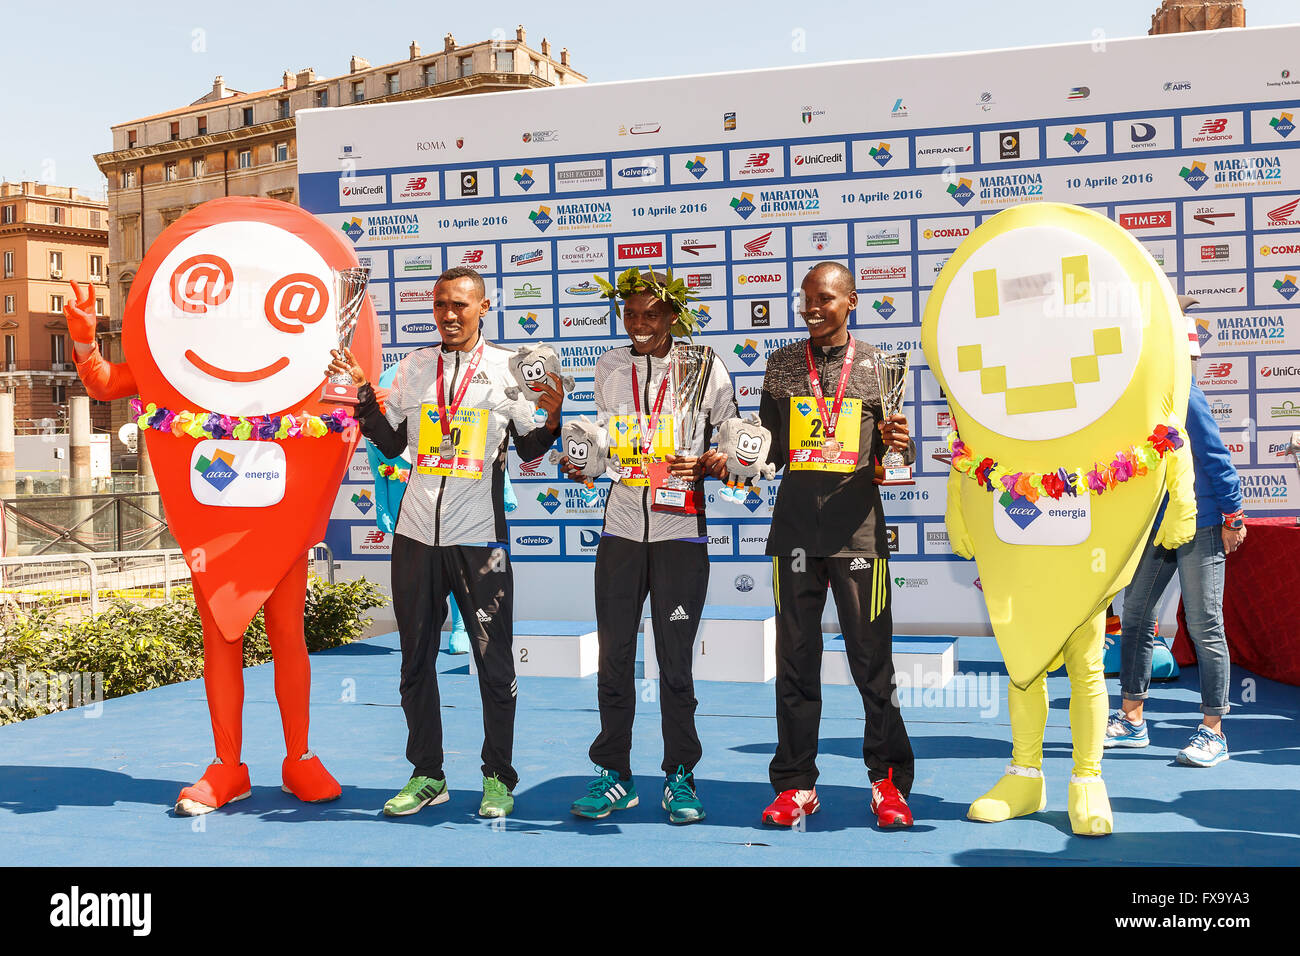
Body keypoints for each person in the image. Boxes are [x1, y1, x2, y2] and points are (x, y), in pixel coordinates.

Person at [328, 266, 563, 818]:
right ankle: (427, 773)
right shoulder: (414, 367)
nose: (449, 314)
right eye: (440, 305)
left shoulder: (508, 368)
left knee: (493, 662)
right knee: (415, 662)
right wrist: (365, 394)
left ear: (484, 308)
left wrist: (553, 413)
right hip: (415, 535)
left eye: (460, 305)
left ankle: (498, 778)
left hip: (480, 540)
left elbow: (529, 449)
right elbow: (389, 441)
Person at [711, 261, 917, 829]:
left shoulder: (880, 366)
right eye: (806, 299)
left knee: (872, 664)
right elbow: (768, 454)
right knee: (795, 664)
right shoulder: (780, 365)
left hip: (859, 536)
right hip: (796, 537)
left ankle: (888, 782)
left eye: (825, 298)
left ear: (851, 300)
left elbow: (896, 460)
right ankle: (796, 784)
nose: (812, 308)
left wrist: (903, 446)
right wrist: (736, 462)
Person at [564, 268, 737, 824]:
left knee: (675, 661)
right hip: (619, 530)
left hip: (679, 532)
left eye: (651, 314)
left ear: (673, 316)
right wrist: (585, 465)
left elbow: (732, 446)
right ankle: (615, 772)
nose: (639, 324)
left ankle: (680, 773)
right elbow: (605, 442)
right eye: (631, 314)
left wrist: (711, 462)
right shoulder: (610, 366)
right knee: (613, 659)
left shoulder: (705, 366)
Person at [1105, 300, 1245, 766]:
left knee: (1205, 625)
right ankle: (1131, 719)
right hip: (1155, 524)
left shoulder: (1186, 396)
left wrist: (1233, 516)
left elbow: (1217, 459)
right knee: (1138, 615)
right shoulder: (1137, 402)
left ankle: (1214, 731)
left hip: (1201, 524)